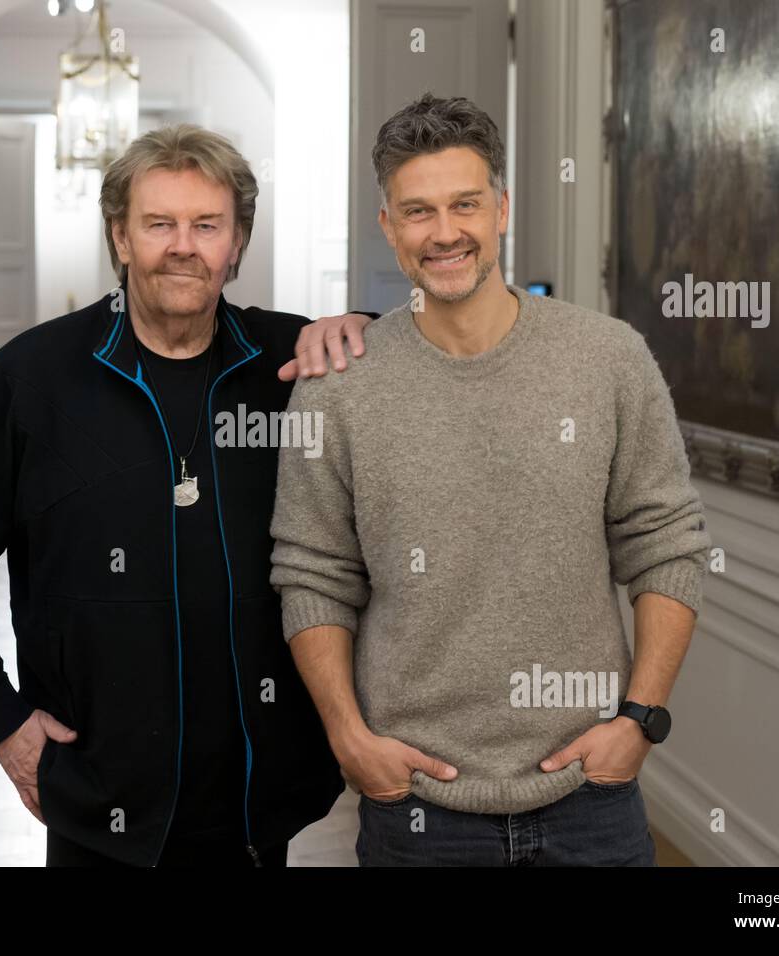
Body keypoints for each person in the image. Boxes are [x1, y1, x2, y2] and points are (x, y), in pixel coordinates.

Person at [0, 124, 377, 867]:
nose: (183, 246)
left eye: (207, 225)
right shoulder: (31, 380)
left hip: (256, 803)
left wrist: (364, 325)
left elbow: (429, 360)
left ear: (236, 243)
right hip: (96, 800)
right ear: (120, 238)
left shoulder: (291, 367)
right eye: (159, 224)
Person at [269, 93, 713, 866]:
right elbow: (313, 574)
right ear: (388, 227)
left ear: (501, 208)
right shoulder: (338, 387)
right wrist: (349, 740)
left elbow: (667, 546)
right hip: (416, 811)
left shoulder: (609, 360)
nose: (444, 233)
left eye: (465, 204)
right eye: (417, 211)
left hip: (592, 800)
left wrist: (641, 720)